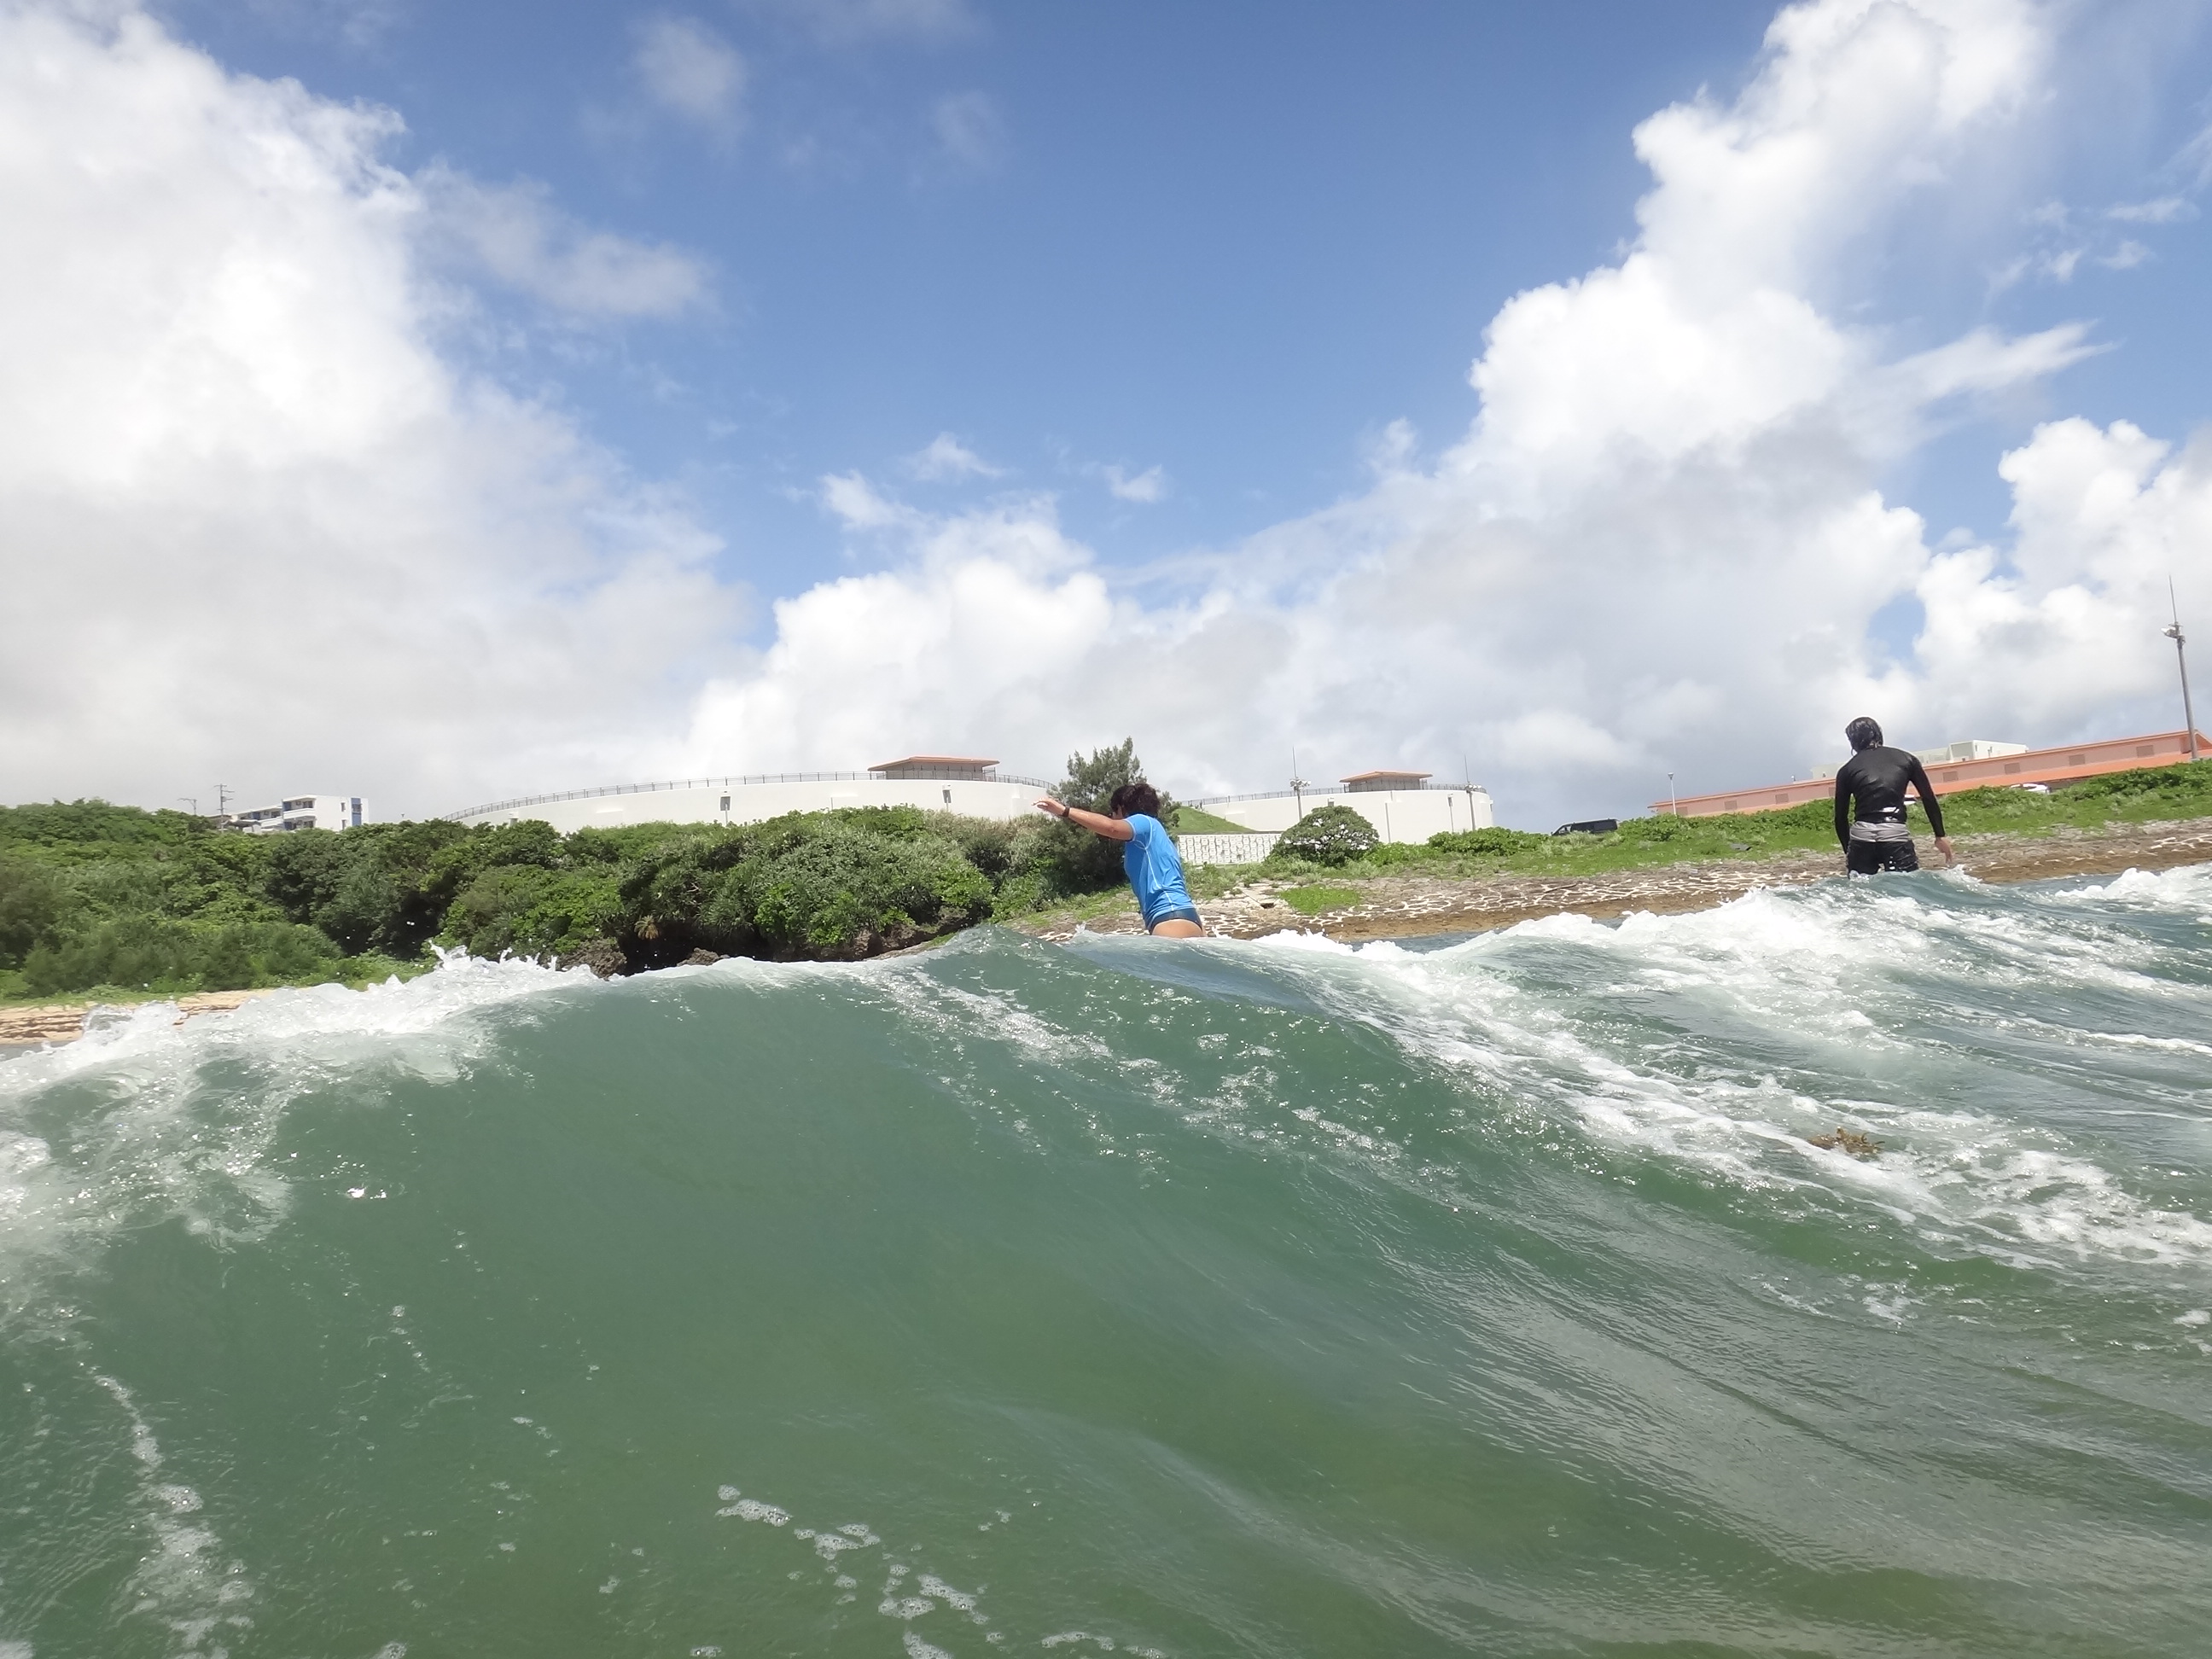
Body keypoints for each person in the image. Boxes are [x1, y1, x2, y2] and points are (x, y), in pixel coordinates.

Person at [1034, 781, 1205, 936]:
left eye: (1113, 812)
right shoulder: (1154, 838)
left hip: (1170, 919)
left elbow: (1112, 828)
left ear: (1123, 809)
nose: (1112, 817)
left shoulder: (1144, 822)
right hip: (1184, 916)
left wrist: (1064, 811)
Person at [1832, 716, 1955, 874]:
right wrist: (1940, 835)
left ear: (1853, 741)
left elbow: (1840, 818)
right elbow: (1928, 798)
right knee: (1906, 889)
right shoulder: (1907, 759)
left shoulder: (1846, 770)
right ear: (1878, 734)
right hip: (1895, 834)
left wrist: (1849, 851)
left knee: (1862, 892)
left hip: (1861, 837)